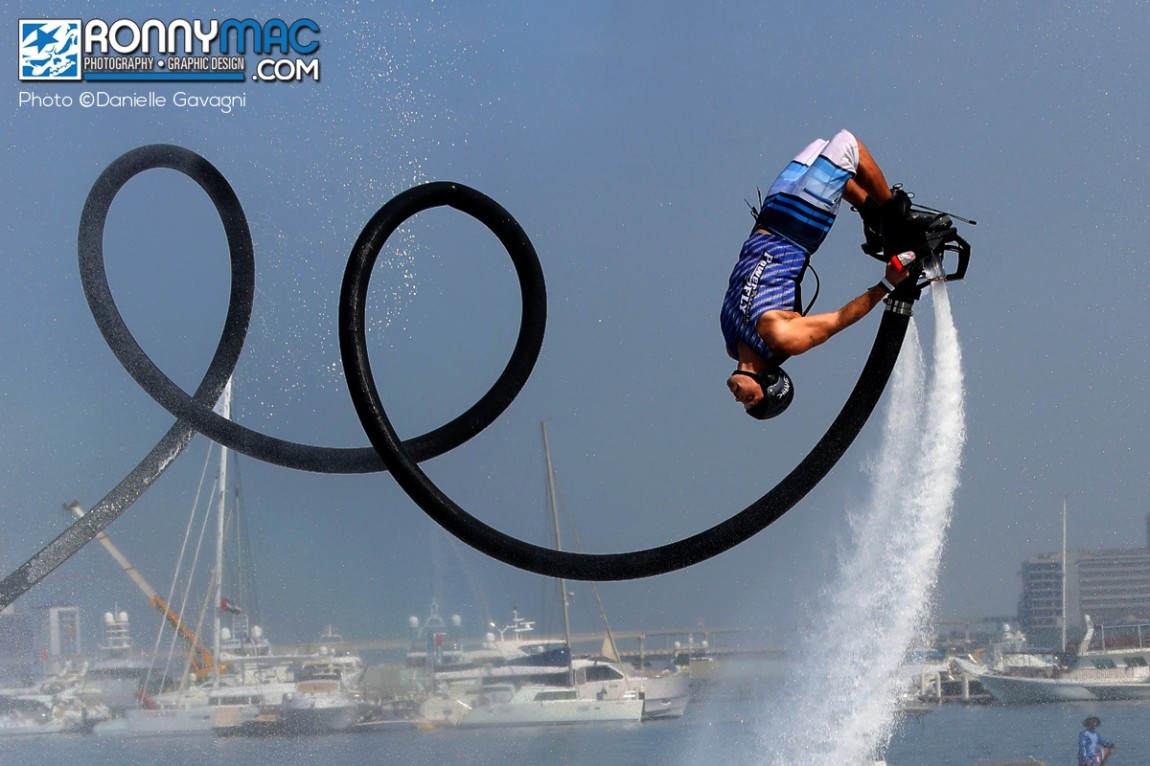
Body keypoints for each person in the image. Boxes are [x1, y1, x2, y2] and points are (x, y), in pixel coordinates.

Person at [720, 129, 914, 419]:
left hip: (770, 213)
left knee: (820, 147)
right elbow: (838, 319)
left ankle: (871, 213)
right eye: (752, 402)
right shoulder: (783, 339)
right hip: (799, 225)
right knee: (848, 146)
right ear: (770, 383)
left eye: (747, 406)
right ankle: (893, 215)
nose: (741, 401)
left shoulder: (731, 344)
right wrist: (887, 284)